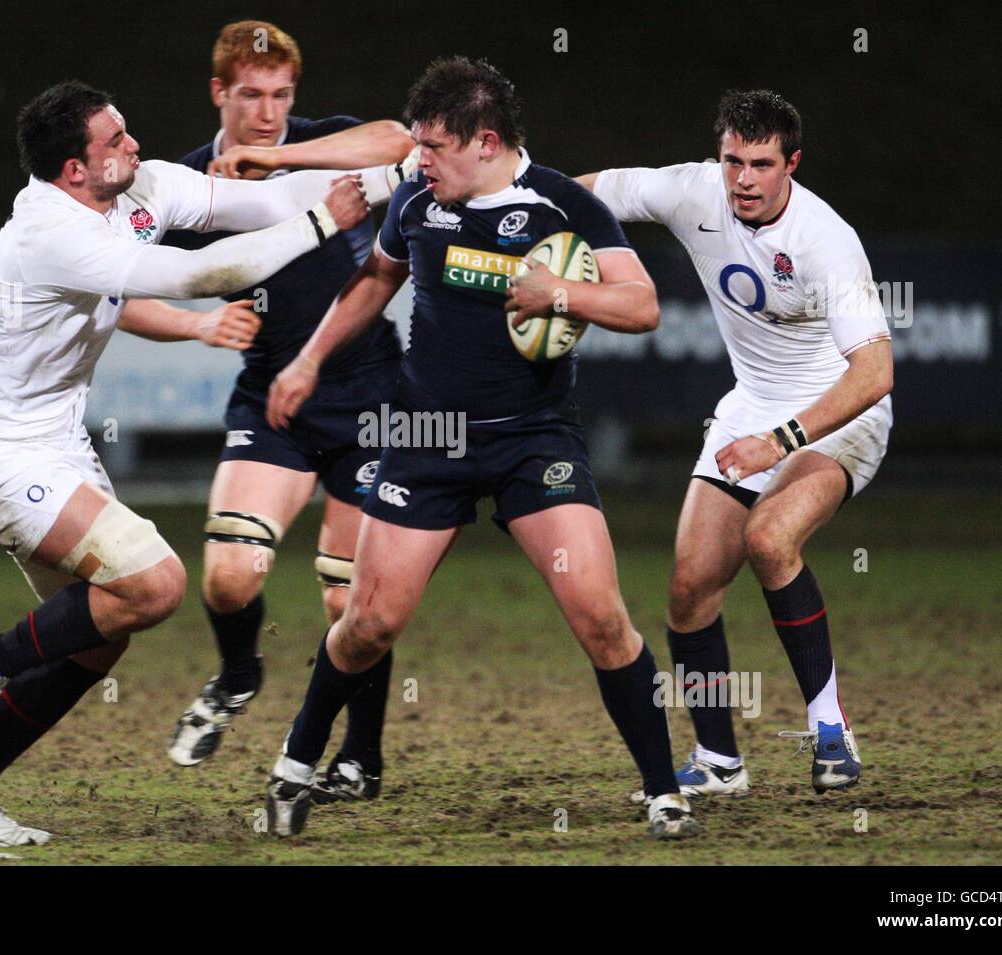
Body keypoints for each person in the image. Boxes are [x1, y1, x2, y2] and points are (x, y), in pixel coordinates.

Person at [0, 78, 390, 846]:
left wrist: (397, 179)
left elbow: (268, 204)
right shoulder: (49, 232)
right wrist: (319, 221)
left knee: (101, 632)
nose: (133, 145)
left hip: (57, 447)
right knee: (157, 582)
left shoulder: (145, 187)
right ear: (75, 169)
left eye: (126, 130)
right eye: (114, 141)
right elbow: (202, 275)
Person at [262, 57, 701, 840]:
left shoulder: (564, 205)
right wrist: (306, 358)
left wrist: (560, 293)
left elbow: (642, 307)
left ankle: (664, 790)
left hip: (535, 441)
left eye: (433, 145)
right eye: (418, 146)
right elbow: (375, 280)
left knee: (600, 615)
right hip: (428, 439)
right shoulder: (416, 200)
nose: (417, 159)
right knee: (367, 623)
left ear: (487, 141)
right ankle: (296, 762)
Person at [579, 89, 893, 795]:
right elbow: (592, 194)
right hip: (751, 409)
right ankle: (720, 760)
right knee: (689, 589)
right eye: (732, 161)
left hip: (838, 415)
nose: (743, 179)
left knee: (770, 537)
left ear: (792, 164)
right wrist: (517, 209)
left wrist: (779, 442)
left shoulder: (825, 239)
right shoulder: (694, 192)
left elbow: (874, 373)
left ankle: (830, 729)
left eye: (760, 163)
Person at [157, 22, 415, 804]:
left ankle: (360, 761)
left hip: (369, 391)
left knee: (351, 600)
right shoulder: (189, 185)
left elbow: (401, 138)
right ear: (219, 92)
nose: (268, 112)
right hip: (272, 392)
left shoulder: (316, 144)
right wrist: (200, 321)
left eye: (281, 96)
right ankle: (238, 675)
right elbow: (125, 288)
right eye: (251, 96)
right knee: (231, 577)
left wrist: (283, 157)